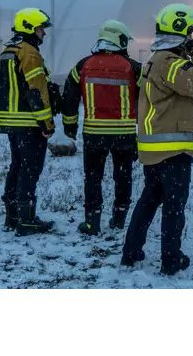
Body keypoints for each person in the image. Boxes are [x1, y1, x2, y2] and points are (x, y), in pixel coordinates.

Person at [121, 3, 193, 275]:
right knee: (174, 207)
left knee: (149, 201)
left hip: (158, 149)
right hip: (170, 151)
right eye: (191, 30)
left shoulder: (158, 59)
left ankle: (131, 252)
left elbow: (175, 98)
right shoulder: (167, 60)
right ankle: (171, 259)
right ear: (181, 29)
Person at [61, 20, 142, 235]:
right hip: (124, 135)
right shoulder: (134, 68)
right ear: (121, 40)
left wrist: (70, 127)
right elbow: (147, 99)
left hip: (93, 134)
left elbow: (69, 97)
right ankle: (119, 219)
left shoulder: (82, 65)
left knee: (93, 177)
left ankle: (91, 222)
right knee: (123, 177)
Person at [0, 7, 59, 237]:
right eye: (41, 28)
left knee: (16, 167)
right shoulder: (30, 53)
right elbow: (36, 91)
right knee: (30, 170)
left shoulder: (9, 50)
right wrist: (47, 124)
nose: (44, 33)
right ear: (31, 28)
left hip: (12, 122)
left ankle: (12, 215)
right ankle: (27, 219)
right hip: (29, 122)